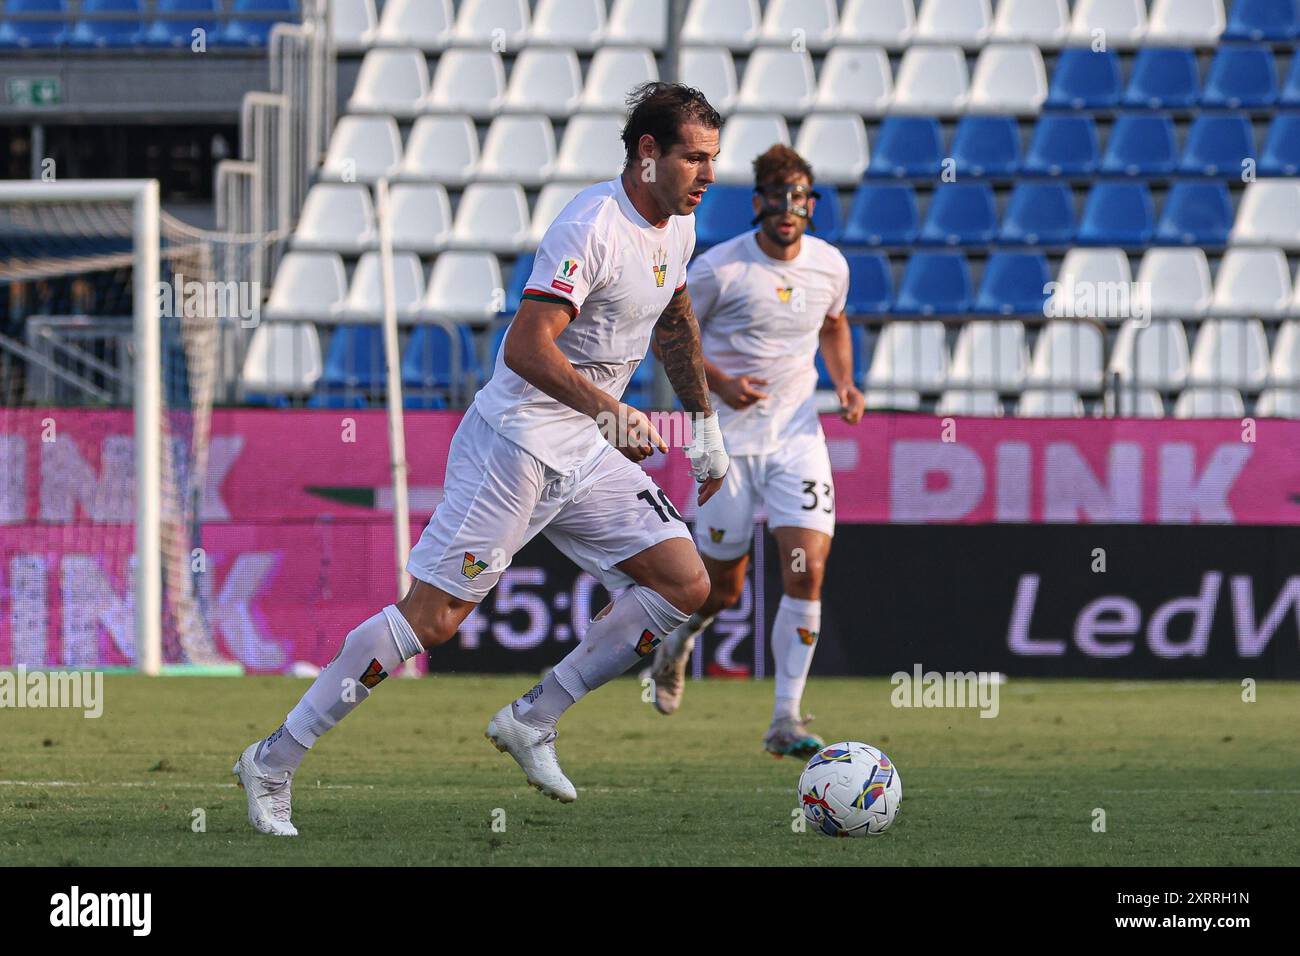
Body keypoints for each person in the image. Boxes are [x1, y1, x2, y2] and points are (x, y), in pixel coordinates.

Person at [232, 82, 729, 835]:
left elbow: (675, 320)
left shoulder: (677, 229)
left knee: (685, 583)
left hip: (584, 454)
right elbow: (524, 346)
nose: (707, 173)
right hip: (516, 447)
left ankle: (534, 717)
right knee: (431, 621)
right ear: (647, 152)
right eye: (694, 157)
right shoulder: (592, 226)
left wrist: (705, 427)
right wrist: (612, 410)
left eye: (713, 159)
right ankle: (272, 758)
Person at [649, 144, 864, 759]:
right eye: (777, 197)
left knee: (807, 570)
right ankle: (681, 639)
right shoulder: (722, 269)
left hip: (797, 438)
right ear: (759, 203)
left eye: (800, 198)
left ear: (811, 205)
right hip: (727, 445)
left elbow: (834, 323)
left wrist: (844, 382)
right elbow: (670, 335)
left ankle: (785, 720)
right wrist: (719, 383)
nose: (788, 209)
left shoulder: (829, 266)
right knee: (720, 590)